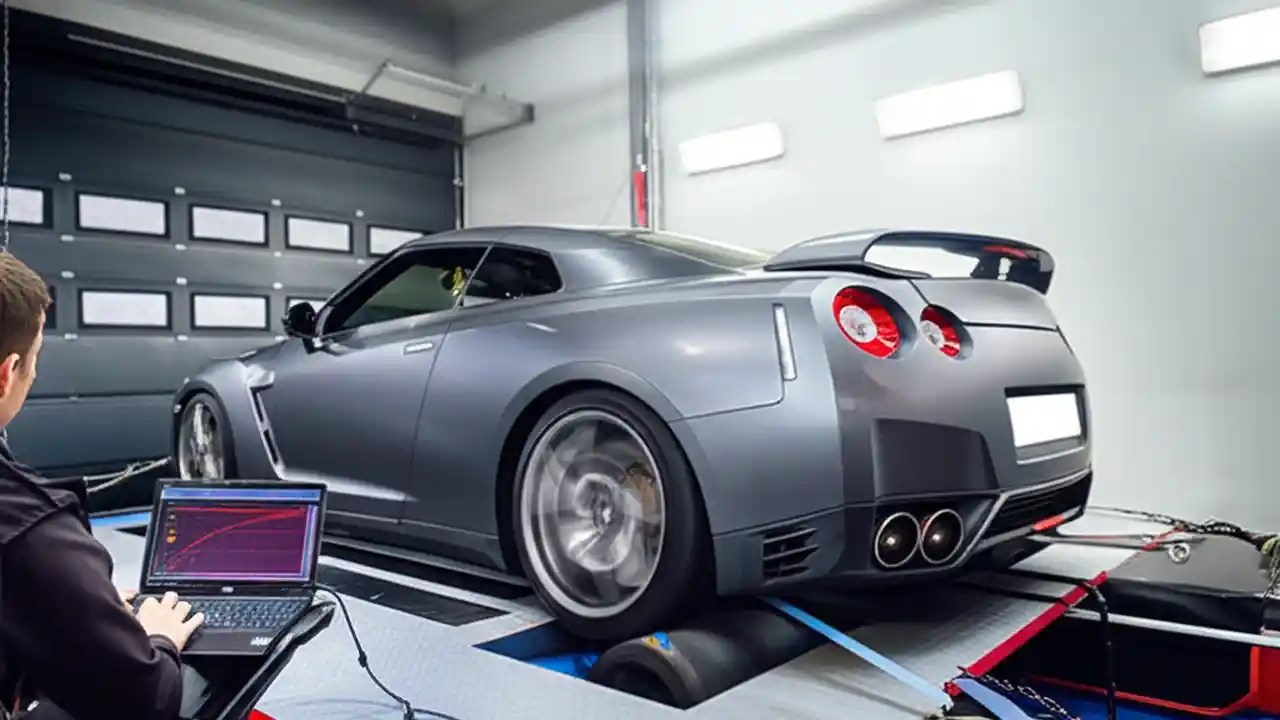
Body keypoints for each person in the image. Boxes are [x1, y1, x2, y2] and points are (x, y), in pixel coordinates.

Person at [0, 251, 204, 719]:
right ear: (7, 373)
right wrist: (157, 637)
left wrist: (81, 601)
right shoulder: (30, 533)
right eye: (35, 359)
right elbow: (141, 699)